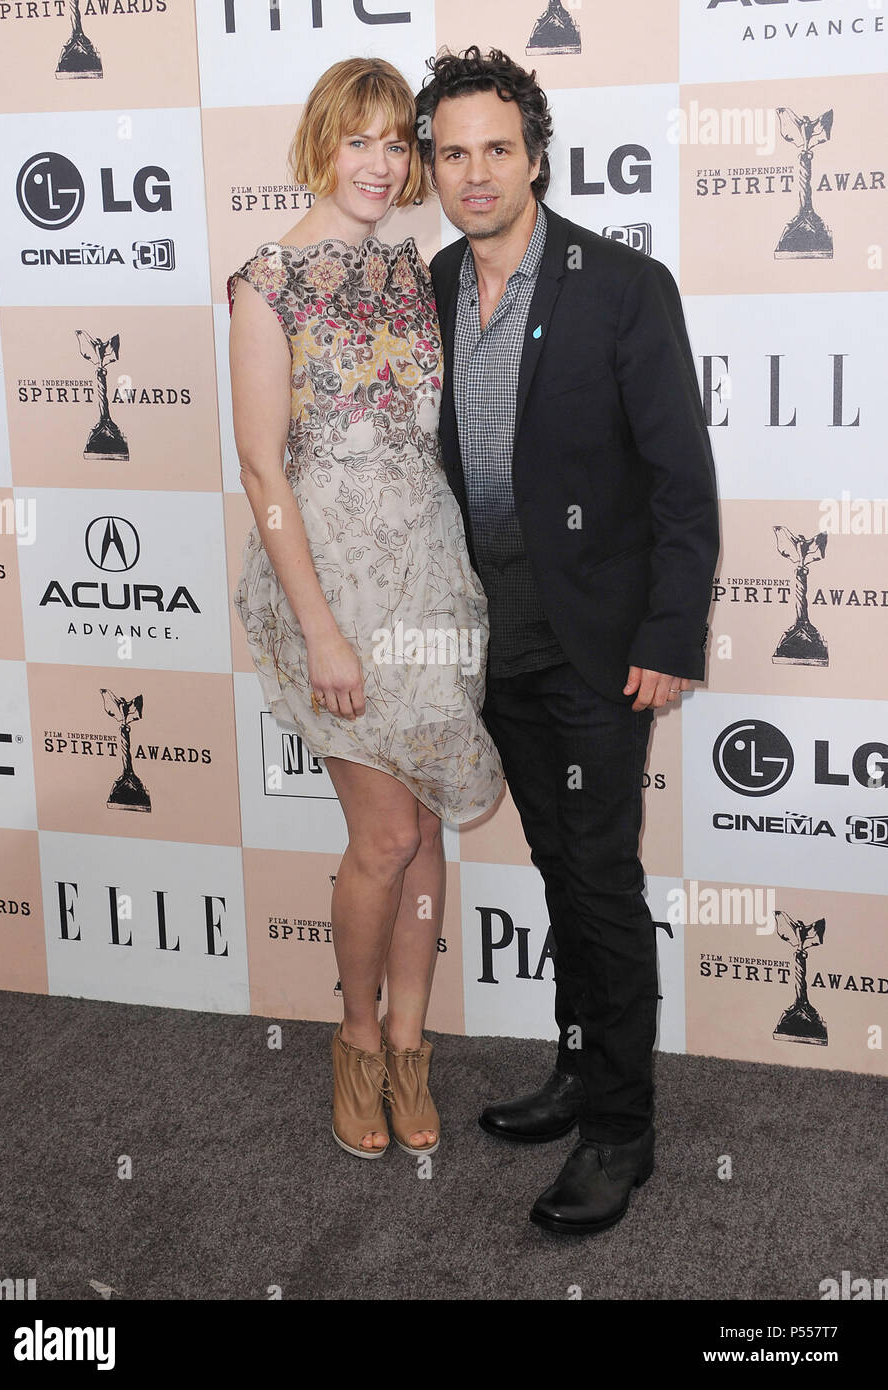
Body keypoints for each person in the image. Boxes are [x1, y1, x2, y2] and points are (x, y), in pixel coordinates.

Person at [416, 47, 720, 1234]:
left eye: (498, 148)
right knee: (557, 871)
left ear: (537, 156)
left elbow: (682, 484)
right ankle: (578, 1065)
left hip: (600, 647)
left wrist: (668, 633)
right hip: (492, 647)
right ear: (435, 167)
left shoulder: (621, 286)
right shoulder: (434, 283)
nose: (475, 172)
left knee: (600, 883)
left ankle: (621, 1133)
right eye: (453, 152)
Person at [227, 58, 503, 1161]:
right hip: (330, 590)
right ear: (319, 145)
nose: (385, 164)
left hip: (434, 579)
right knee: (383, 833)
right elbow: (262, 474)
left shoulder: (418, 263)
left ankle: (412, 1043)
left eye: (401, 142)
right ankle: (354, 1039)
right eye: (362, 140)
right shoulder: (266, 282)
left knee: (429, 819)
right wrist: (324, 629)